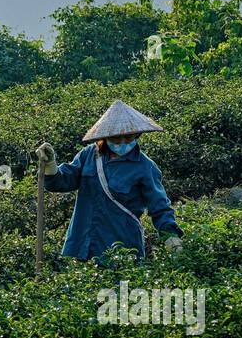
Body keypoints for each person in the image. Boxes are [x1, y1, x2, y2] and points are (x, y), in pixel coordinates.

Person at [35, 100, 181, 266]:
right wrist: (50, 165)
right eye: (117, 138)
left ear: (137, 135)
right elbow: (62, 182)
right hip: (82, 245)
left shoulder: (145, 167)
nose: (123, 142)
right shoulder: (89, 155)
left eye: (129, 137)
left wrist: (170, 236)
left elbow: (160, 207)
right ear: (106, 136)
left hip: (121, 247)